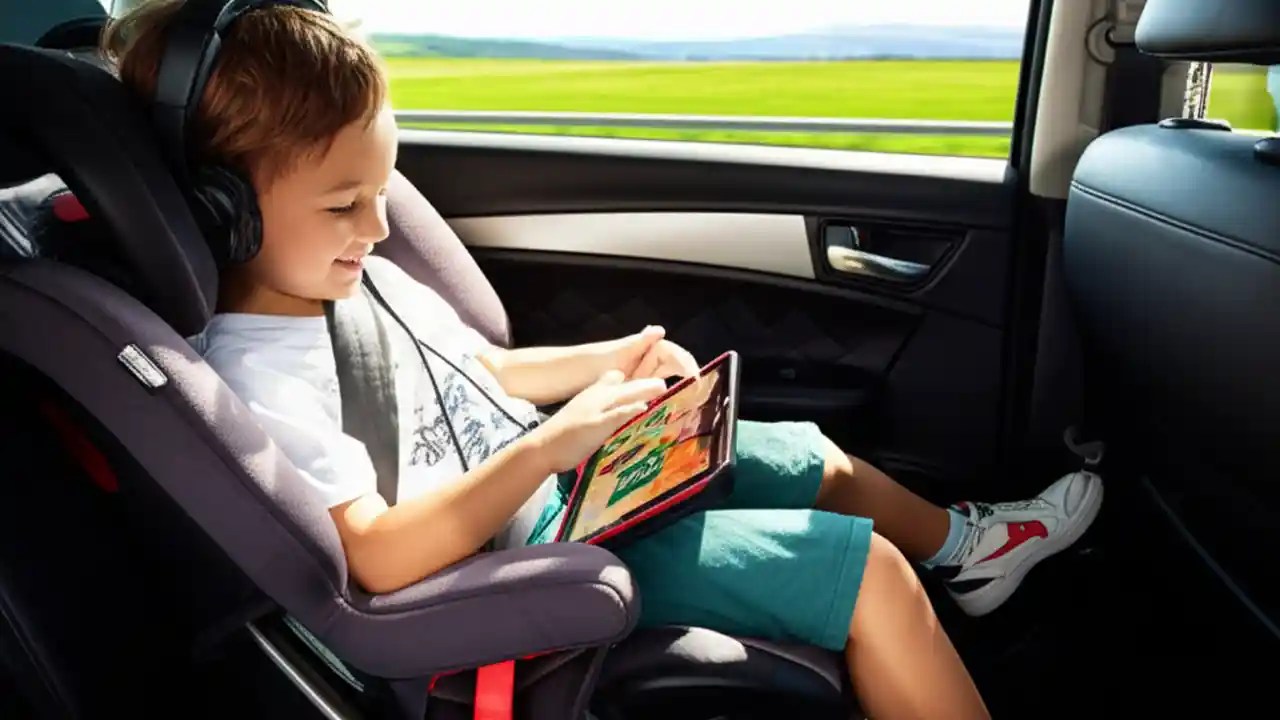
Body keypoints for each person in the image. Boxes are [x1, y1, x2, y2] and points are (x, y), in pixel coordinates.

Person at [104, 3, 1103, 718]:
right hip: (513, 571)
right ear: (218, 208)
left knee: (805, 452)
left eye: (383, 188)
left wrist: (602, 362)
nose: (377, 225)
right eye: (341, 204)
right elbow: (373, 555)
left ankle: (975, 555)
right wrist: (546, 456)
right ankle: (928, 579)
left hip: (560, 499)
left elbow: (474, 378)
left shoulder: (354, 282)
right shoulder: (256, 375)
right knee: (868, 576)